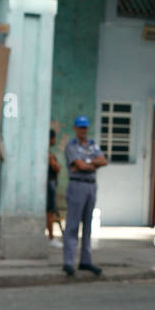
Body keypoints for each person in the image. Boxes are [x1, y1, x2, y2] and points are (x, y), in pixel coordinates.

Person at [61, 115, 105, 277]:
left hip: (91, 186)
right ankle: (68, 262)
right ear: (75, 128)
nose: (83, 130)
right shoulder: (71, 146)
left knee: (88, 225)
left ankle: (86, 260)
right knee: (72, 225)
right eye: (80, 127)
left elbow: (104, 160)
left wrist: (87, 165)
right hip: (77, 185)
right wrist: (92, 164)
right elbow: (78, 165)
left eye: (85, 127)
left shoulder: (93, 144)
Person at [47, 129, 62, 242]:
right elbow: (56, 168)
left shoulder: (48, 153)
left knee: (51, 211)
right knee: (50, 211)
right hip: (50, 184)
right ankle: (51, 238)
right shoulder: (49, 155)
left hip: (51, 183)